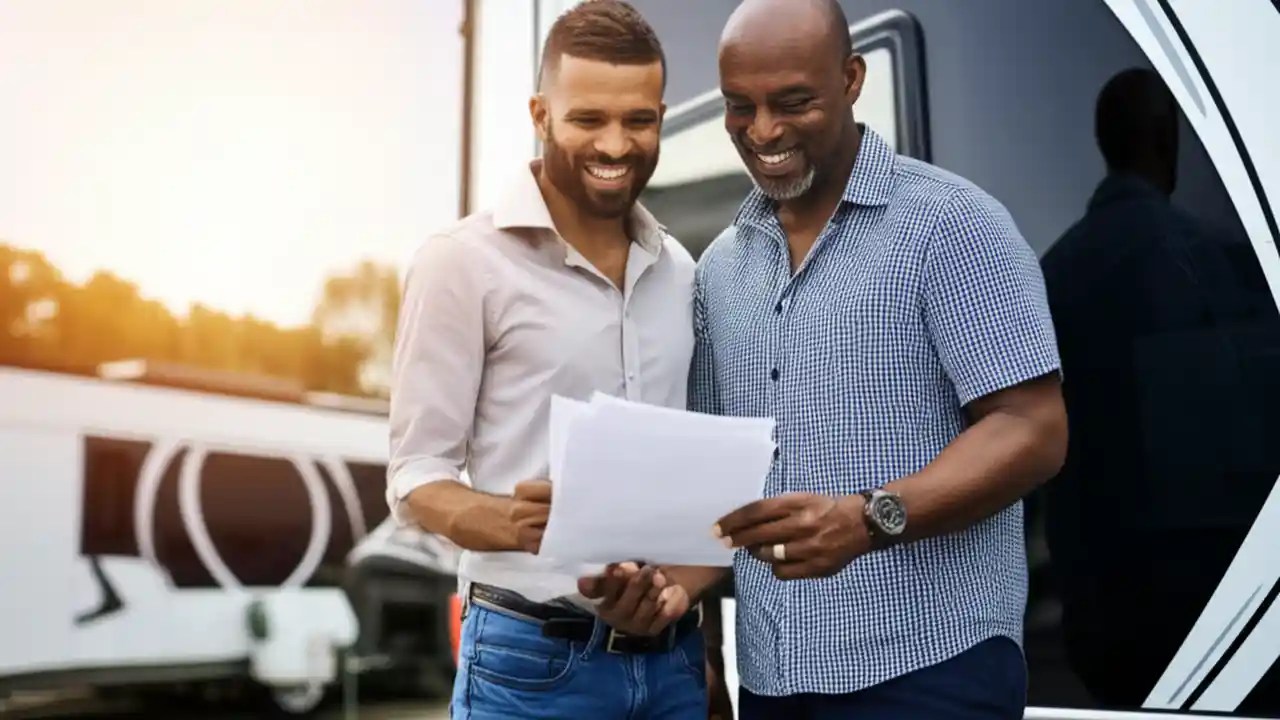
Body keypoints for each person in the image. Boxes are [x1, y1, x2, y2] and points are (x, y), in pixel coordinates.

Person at [690, 0, 1068, 717]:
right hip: (773, 682)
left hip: (932, 671)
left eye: (793, 102)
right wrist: (704, 654)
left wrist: (871, 518)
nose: (763, 130)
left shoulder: (953, 225)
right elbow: (707, 478)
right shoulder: (717, 271)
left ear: (852, 78)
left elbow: (1034, 428)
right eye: (741, 106)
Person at [386, 2, 721, 717]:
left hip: (673, 665)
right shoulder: (461, 263)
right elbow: (416, 476)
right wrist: (518, 520)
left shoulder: (682, 272)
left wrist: (683, 599)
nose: (616, 144)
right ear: (540, 114)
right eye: (588, 119)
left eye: (639, 120)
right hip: (531, 666)